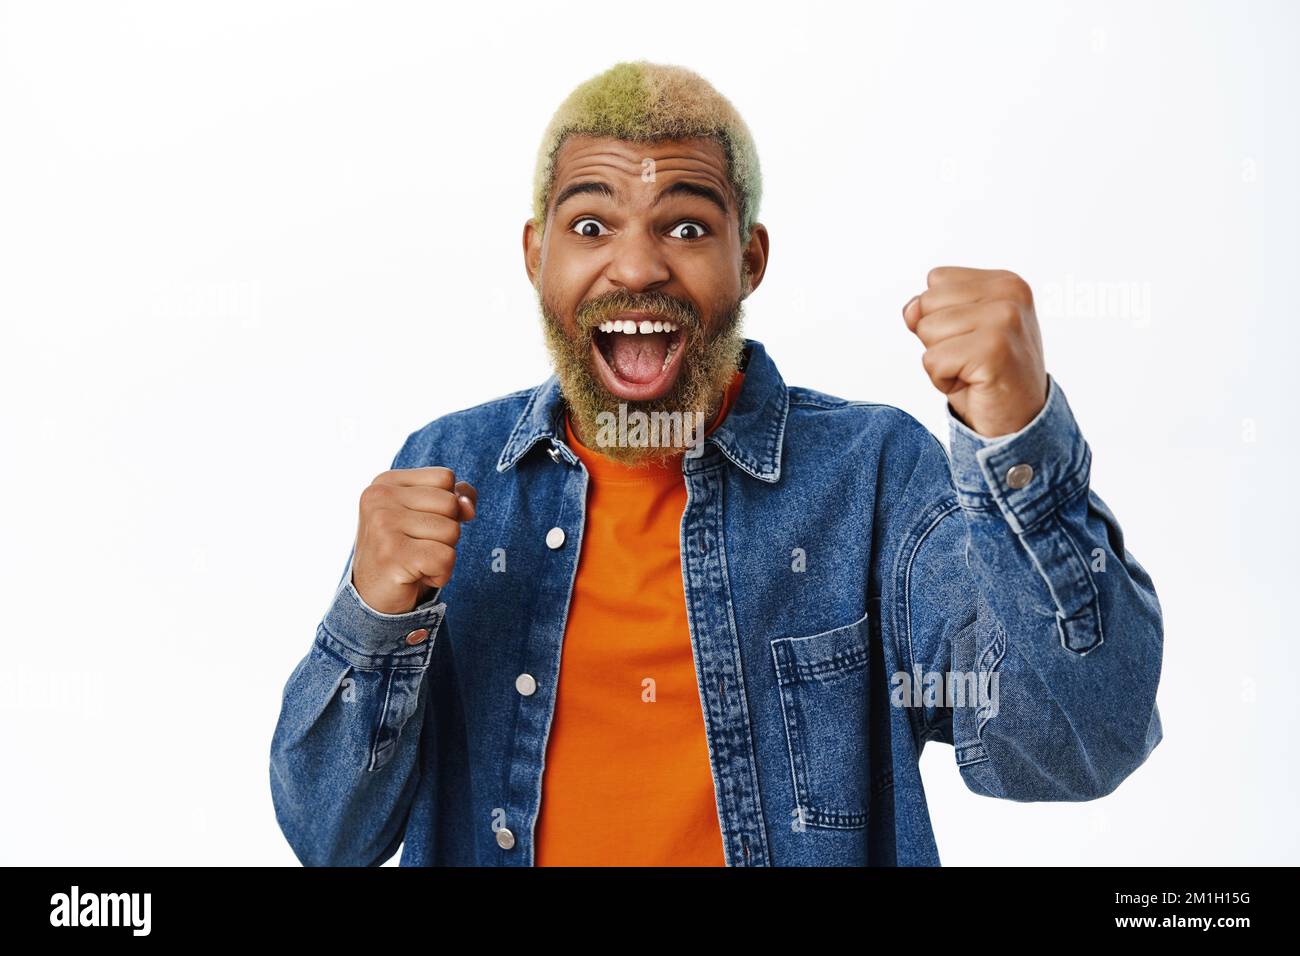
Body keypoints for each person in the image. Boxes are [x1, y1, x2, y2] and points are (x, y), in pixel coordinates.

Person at [269, 59, 1163, 866]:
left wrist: (1018, 439)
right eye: (591, 224)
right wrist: (373, 616)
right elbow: (331, 835)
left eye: (687, 229)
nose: (637, 266)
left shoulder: (872, 478)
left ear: (750, 258)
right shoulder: (447, 468)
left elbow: (1078, 741)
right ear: (537, 254)